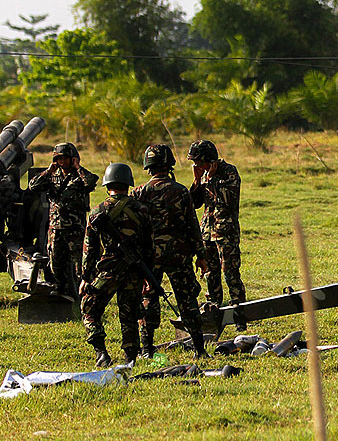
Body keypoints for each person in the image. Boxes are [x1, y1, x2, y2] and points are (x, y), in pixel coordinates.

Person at [132, 144, 209, 358]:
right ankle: (200, 350)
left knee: (148, 300)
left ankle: (147, 351)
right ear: (170, 165)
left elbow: (134, 229)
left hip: (150, 258)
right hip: (179, 256)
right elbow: (193, 227)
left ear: (148, 166)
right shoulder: (181, 191)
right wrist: (200, 256)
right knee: (187, 301)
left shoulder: (138, 193)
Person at [80, 163, 153, 367]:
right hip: (134, 271)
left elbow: (90, 250)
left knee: (89, 308)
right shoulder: (142, 210)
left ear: (107, 184)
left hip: (108, 270)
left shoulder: (97, 212)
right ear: (128, 184)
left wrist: (86, 278)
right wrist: (149, 275)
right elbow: (149, 247)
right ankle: (131, 357)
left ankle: (100, 352)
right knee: (129, 314)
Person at [187, 140, 246, 325]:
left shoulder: (229, 172)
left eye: (199, 162)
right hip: (207, 232)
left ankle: (240, 316)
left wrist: (211, 179)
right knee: (211, 274)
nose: (197, 166)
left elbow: (227, 199)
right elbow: (194, 203)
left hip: (226, 232)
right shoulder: (203, 175)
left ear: (209, 160)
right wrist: (197, 181)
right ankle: (213, 315)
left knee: (230, 273)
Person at [27, 142, 98, 296]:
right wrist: (48, 171)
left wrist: (78, 167)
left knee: (80, 264)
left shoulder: (80, 177)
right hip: (55, 228)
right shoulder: (52, 176)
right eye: (59, 158)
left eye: (65, 158)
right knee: (56, 262)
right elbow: (33, 186)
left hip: (75, 228)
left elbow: (91, 182)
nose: (62, 161)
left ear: (72, 158)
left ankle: (86, 292)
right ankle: (61, 291)